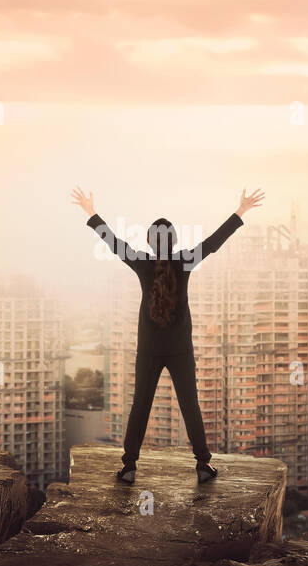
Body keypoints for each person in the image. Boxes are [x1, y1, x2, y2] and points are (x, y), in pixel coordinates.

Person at [71, 186, 265, 484]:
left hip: (148, 350)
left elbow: (113, 241)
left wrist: (90, 211)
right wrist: (240, 211)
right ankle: (202, 464)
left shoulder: (141, 262)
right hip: (180, 351)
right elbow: (214, 242)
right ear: (174, 242)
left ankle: (129, 467)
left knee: (140, 406)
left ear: (149, 242)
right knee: (191, 405)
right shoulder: (185, 261)